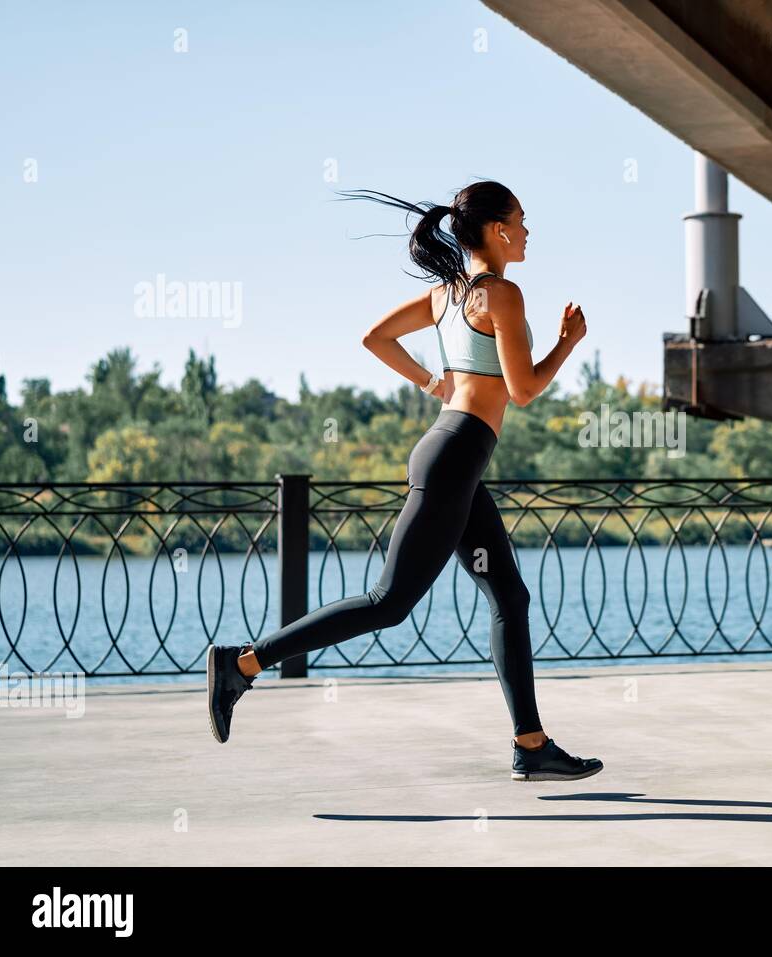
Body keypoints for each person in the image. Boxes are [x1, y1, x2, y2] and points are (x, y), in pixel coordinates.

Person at [206, 180, 602, 782]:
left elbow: (375, 338)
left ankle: (531, 744)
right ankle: (245, 663)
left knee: (509, 598)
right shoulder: (503, 294)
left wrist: (430, 382)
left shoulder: (446, 296)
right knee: (388, 603)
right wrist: (566, 344)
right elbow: (523, 390)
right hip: (456, 455)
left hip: (453, 453)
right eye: (521, 220)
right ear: (496, 229)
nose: (526, 231)